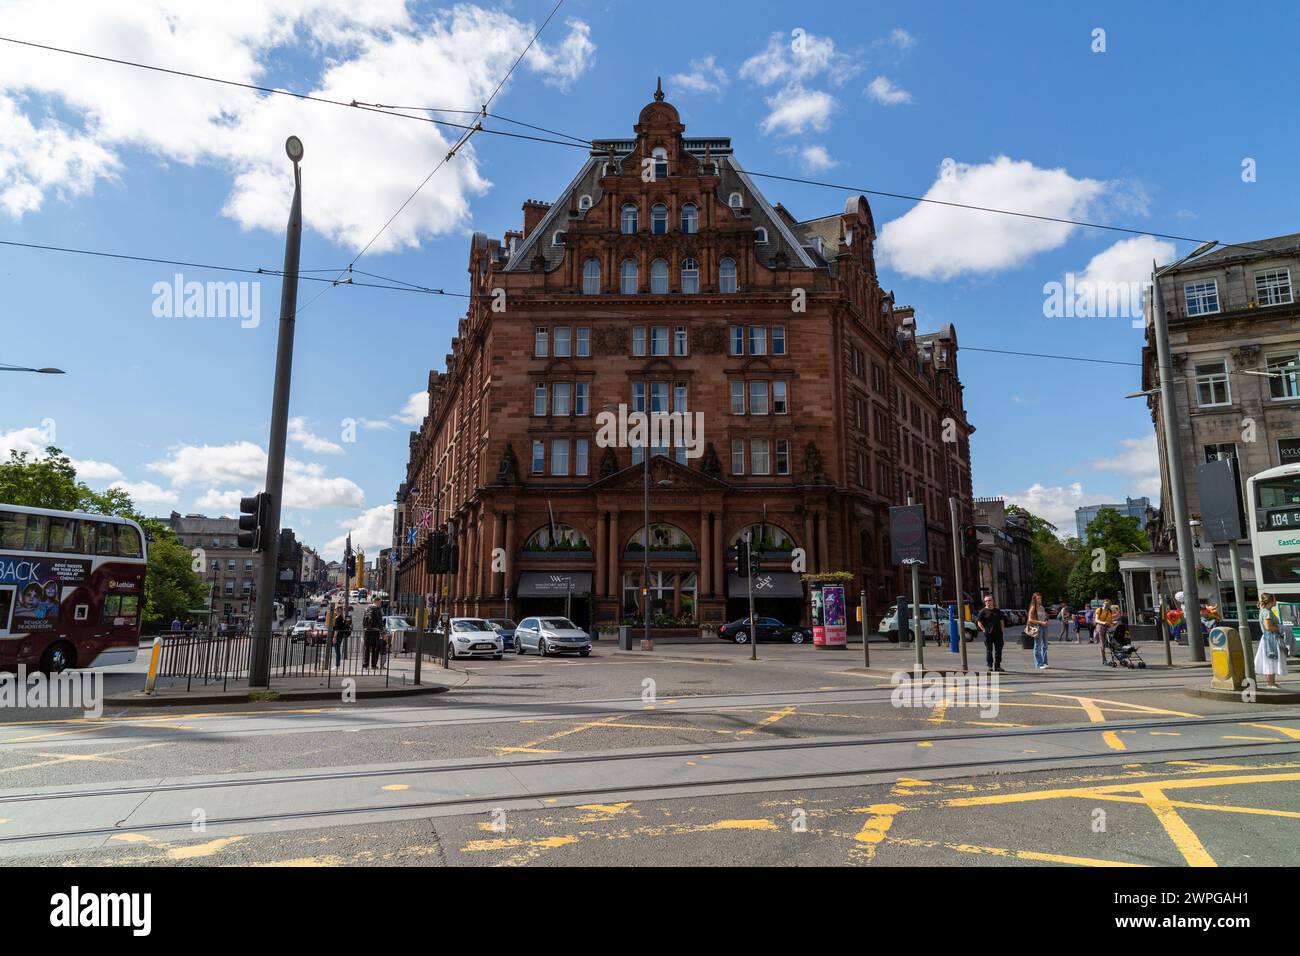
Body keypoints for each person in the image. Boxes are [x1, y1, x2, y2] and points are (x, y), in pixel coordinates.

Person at [1255, 593, 1289, 688]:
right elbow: (1268, 626)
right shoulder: (1266, 612)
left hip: (1268, 638)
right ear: (1271, 601)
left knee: (1271, 660)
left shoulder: (1265, 611)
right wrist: (1281, 629)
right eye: (1275, 599)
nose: (1276, 601)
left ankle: (1271, 683)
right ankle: (1270, 684)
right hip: (1271, 639)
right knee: (1271, 660)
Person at [976, 595, 1005, 672]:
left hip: (998, 634)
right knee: (989, 650)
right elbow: (979, 622)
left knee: (998, 650)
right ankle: (990, 666)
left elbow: (1001, 621)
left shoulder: (998, 611)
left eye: (989, 600)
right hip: (988, 634)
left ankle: (997, 666)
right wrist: (984, 630)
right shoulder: (982, 612)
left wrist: (1002, 630)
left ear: (993, 601)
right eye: (986, 601)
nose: (988, 602)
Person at [1027, 592, 1050, 669]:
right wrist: (1040, 622)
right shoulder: (1033, 607)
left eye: (1040, 598)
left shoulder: (1042, 607)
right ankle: (1039, 663)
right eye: (1038, 598)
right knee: (1037, 645)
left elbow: (1043, 617)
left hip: (1044, 626)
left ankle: (1045, 662)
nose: (1039, 600)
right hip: (1037, 627)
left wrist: (1046, 620)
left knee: (1045, 645)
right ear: (1034, 599)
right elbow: (1030, 619)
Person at [363, 595, 384, 670]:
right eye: (380, 602)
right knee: (375, 649)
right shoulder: (378, 609)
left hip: (367, 630)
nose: (380, 604)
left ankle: (365, 664)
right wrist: (382, 631)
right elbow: (380, 622)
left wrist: (365, 628)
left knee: (367, 648)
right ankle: (373, 665)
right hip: (375, 631)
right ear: (377, 601)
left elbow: (363, 620)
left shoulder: (367, 608)